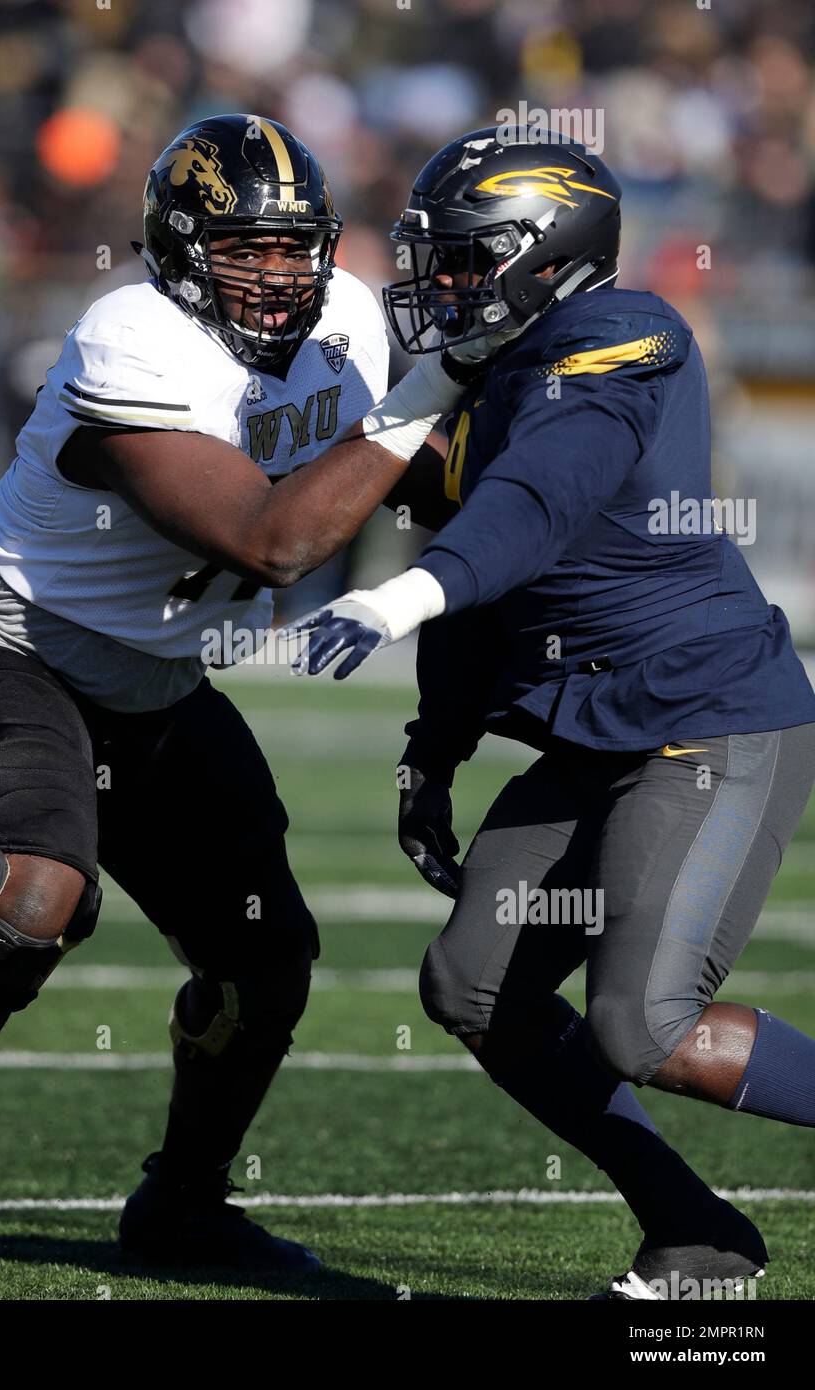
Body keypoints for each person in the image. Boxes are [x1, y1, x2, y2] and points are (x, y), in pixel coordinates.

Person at [0, 113, 463, 1284]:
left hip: (154, 677)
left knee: (266, 958)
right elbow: (272, 542)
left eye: (299, 245)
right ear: (176, 247)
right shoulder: (134, 337)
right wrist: (440, 384)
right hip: (4, 645)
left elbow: (424, 484)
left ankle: (183, 1208)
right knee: (34, 895)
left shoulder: (350, 319)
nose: (282, 273)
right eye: (247, 248)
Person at [293, 125, 815, 1300]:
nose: (444, 286)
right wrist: (430, 754)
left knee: (647, 1024)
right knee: (472, 982)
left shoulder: (621, 336)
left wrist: (398, 594)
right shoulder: (495, 374)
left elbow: (534, 506)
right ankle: (697, 1234)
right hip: (597, 736)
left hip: (708, 717)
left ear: (548, 256)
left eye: (469, 260)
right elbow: (491, 595)